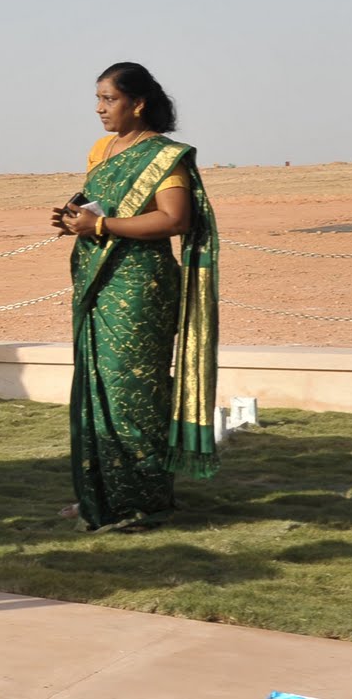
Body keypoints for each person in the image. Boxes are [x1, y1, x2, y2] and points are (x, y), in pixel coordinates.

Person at [51, 62, 219, 531]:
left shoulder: (165, 156)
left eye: (110, 99)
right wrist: (75, 216)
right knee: (97, 388)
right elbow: (98, 200)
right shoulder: (103, 150)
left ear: (137, 103)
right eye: (99, 99)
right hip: (99, 282)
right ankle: (97, 497)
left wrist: (100, 225)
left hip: (140, 287)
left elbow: (174, 219)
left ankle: (142, 500)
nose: (100, 108)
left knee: (133, 392)